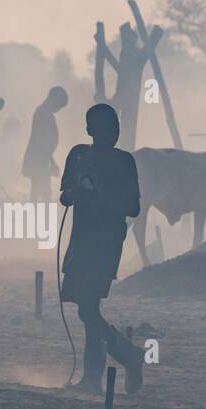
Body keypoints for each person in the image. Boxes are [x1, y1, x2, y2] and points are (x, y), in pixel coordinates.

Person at [58, 103, 143, 393]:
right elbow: (65, 196)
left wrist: (102, 193)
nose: (114, 133)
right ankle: (128, 356)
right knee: (85, 310)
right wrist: (77, 192)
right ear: (90, 130)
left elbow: (133, 207)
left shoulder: (124, 162)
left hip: (105, 242)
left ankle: (94, 376)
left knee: (89, 306)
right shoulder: (78, 155)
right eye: (107, 127)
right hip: (81, 240)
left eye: (116, 127)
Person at [22, 86, 69, 201]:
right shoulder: (43, 114)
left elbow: (44, 144)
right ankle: (37, 217)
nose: (59, 109)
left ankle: (35, 216)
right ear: (54, 100)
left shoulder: (44, 113)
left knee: (40, 193)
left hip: (41, 160)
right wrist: (51, 163)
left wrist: (51, 162)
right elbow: (41, 142)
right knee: (42, 193)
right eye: (59, 106)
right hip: (38, 161)